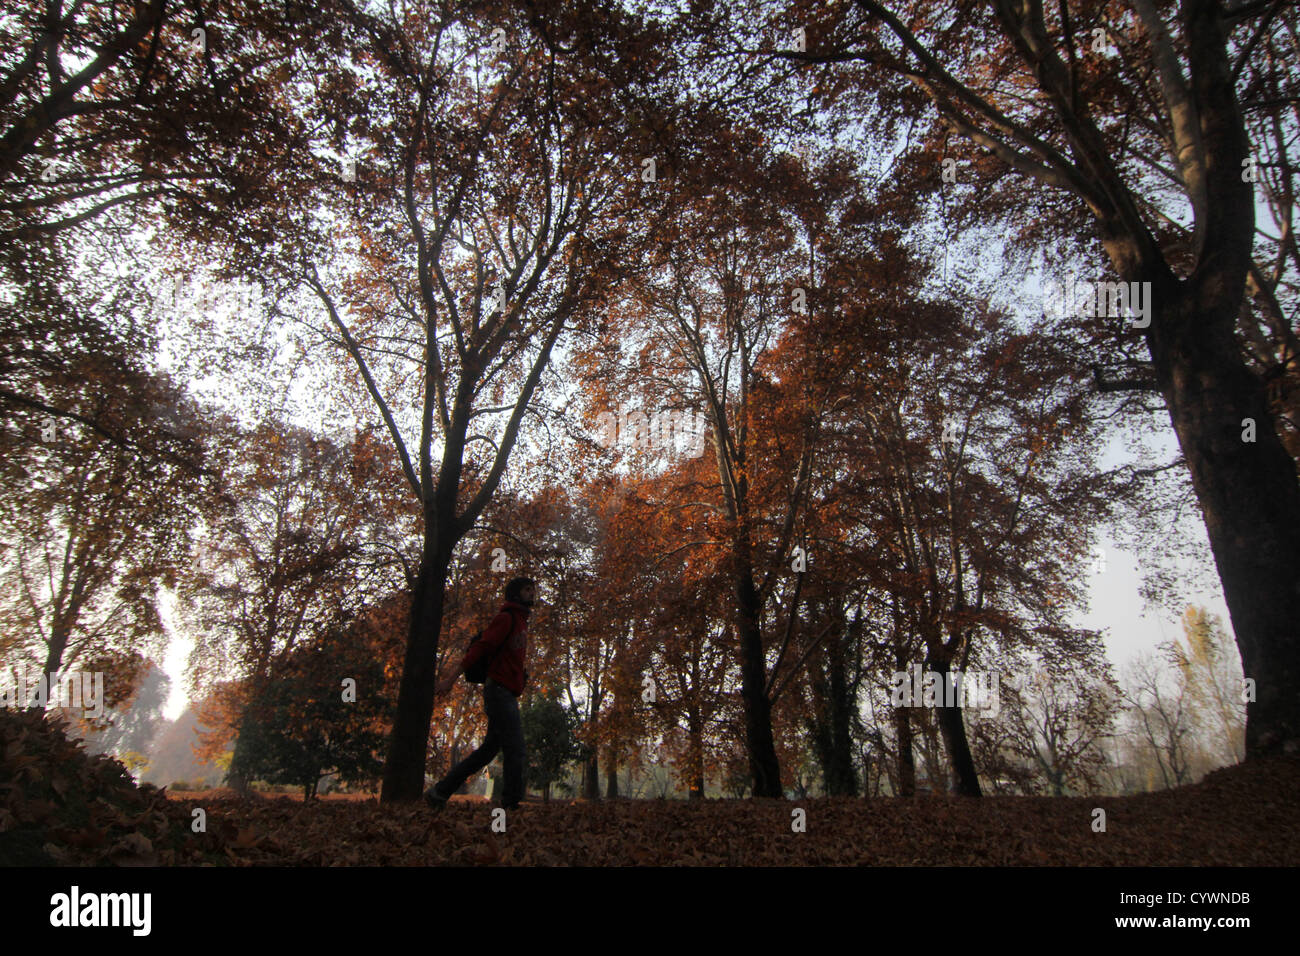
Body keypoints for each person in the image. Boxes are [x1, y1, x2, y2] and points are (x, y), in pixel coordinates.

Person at [425, 576, 535, 812]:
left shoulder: (522, 622)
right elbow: (481, 648)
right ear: (515, 594)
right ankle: (510, 805)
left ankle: (439, 792)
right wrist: (450, 679)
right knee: (515, 748)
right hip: (498, 692)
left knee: (488, 750)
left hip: (506, 692)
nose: (532, 594)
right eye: (527, 590)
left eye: (533, 590)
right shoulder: (506, 618)